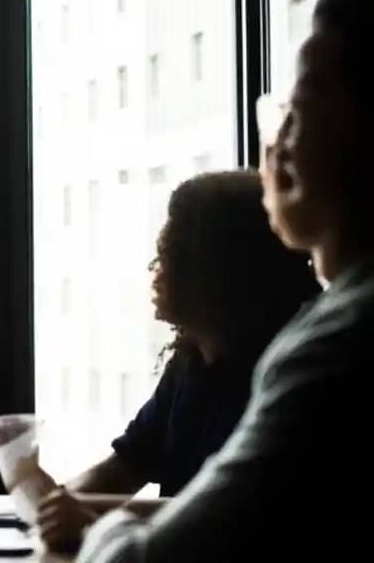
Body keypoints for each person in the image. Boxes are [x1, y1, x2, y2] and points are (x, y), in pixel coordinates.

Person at [77, 0, 374, 561]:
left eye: (303, 104)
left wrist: (101, 531)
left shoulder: (333, 350)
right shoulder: (306, 335)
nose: (280, 137)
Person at [36, 170, 319, 552]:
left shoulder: (285, 374)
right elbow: (126, 465)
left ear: (223, 270)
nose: (157, 265)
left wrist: (87, 510)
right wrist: (57, 504)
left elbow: (224, 513)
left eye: (175, 250)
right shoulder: (191, 362)